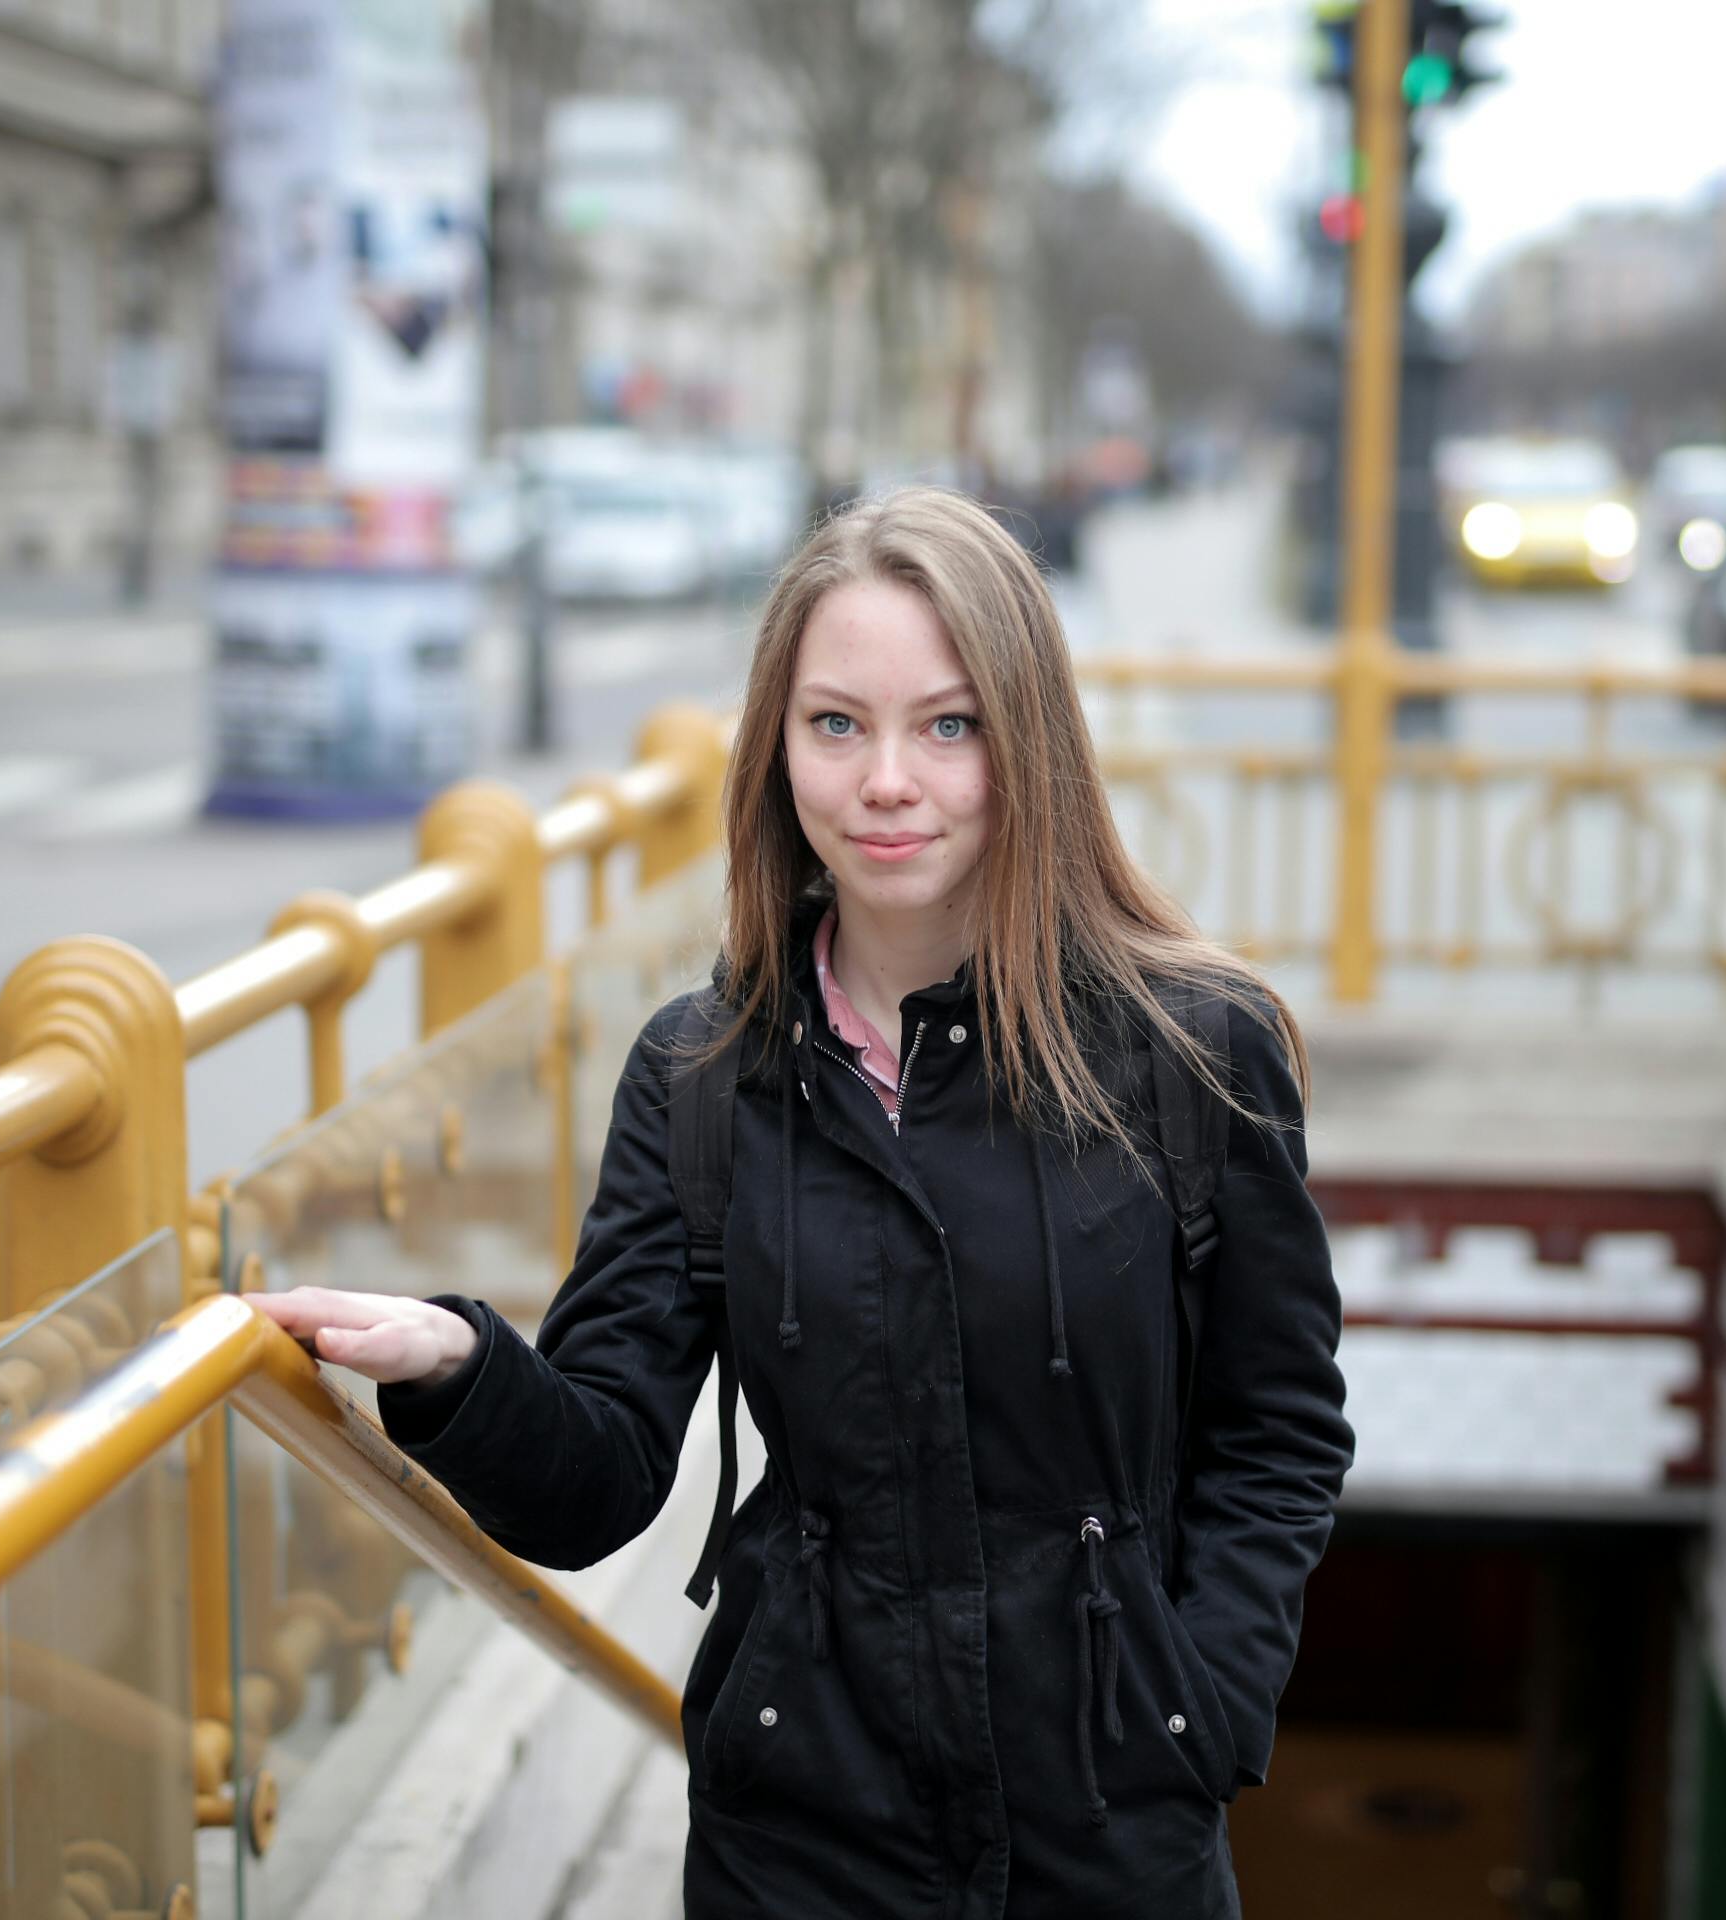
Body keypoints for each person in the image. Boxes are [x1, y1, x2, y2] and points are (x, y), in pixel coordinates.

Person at [254, 486, 1353, 1919]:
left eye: (947, 725)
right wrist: (459, 1368)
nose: (885, 781)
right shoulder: (701, 1074)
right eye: (836, 724)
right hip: (802, 1826)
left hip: (1112, 1822)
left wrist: (1199, 1705)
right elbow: (602, 1479)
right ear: (775, 751)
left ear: (1030, 744)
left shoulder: (1186, 1049)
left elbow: (1277, 1431)